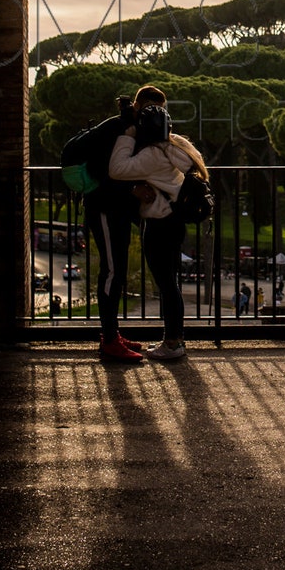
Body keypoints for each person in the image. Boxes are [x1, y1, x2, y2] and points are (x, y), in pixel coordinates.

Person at [108, 84, 211, 364]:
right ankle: (173, 339)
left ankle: (173, 342)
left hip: (159, 222)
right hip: (175, 221)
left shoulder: (153, 154)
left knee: (166, 283)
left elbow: (117, 169)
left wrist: (128, 134)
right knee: (170, 282)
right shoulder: (178, 144)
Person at [81, 94, 146, 364]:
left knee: (116, 272)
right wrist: (132, 189)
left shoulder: (128, 128)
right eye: (153, 108)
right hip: (105, 209)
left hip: (116, 210)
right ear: (140, 106)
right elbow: (103, 172)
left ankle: (113, 335)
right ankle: (109, 341)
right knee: (111, 272)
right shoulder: (115, 129)